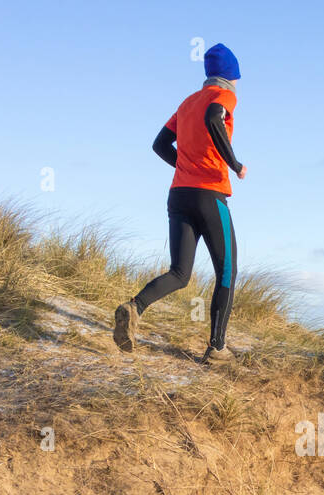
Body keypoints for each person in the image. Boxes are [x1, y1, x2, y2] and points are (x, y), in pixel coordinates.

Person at [114, 43, 246, 364]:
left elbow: (160, 144)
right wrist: (235, 164)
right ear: (231, 75)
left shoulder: (187, 102)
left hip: (179, 196)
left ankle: (134, 308)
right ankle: (217, 349)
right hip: (210, 195)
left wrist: (185, 167)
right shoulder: (224, 96)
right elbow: (215, 119)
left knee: (180, 272)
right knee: (227, 272)